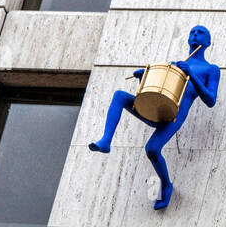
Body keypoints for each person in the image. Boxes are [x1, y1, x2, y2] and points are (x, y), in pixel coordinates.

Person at [89, 24, 219, 209]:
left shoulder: (210, 69)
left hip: (175, 115)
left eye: (200, 33)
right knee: (120, 96)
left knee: (152, 149)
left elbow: (211, 100)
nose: (195, 35)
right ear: (188, 39)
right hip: (157, 108)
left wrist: (191, 75)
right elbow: (159, 89)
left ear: (208, 42)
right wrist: (144, 77)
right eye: (192, 32)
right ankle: (106, 140)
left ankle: (166, 184)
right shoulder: (173, 65)